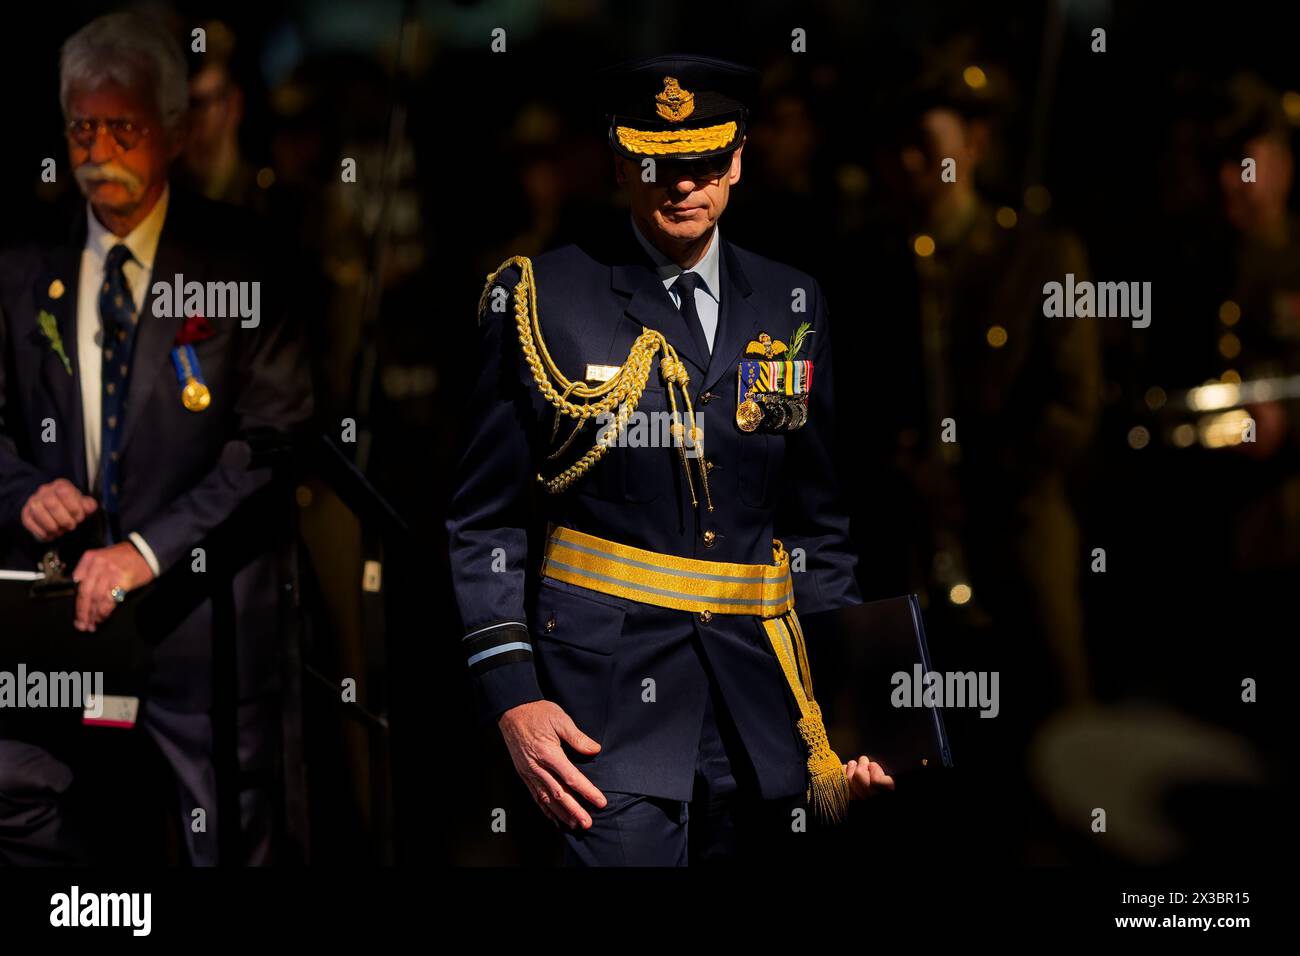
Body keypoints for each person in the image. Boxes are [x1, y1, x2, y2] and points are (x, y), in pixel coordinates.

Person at [447, 54, 891, 867]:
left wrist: (847, 717)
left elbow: (818, 526)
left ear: (739, 160)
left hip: (764, 708)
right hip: (602, 708)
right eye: (659, 166)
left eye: (706, 164)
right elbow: (485, 523)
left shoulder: (793, 302)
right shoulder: (543, 299)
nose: (683, 186)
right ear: (622, 163)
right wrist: (513, 698)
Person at [0, 11, 311, 864]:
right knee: (22, 802)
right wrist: (22, 488)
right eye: (82, 128)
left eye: (123, 128)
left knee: (222, 843)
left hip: (199, 625)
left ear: (173, 131)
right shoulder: (24, 262)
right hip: (57, 628)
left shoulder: (241, 258)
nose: (98, 151)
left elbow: (275, 439)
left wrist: (146, 548)